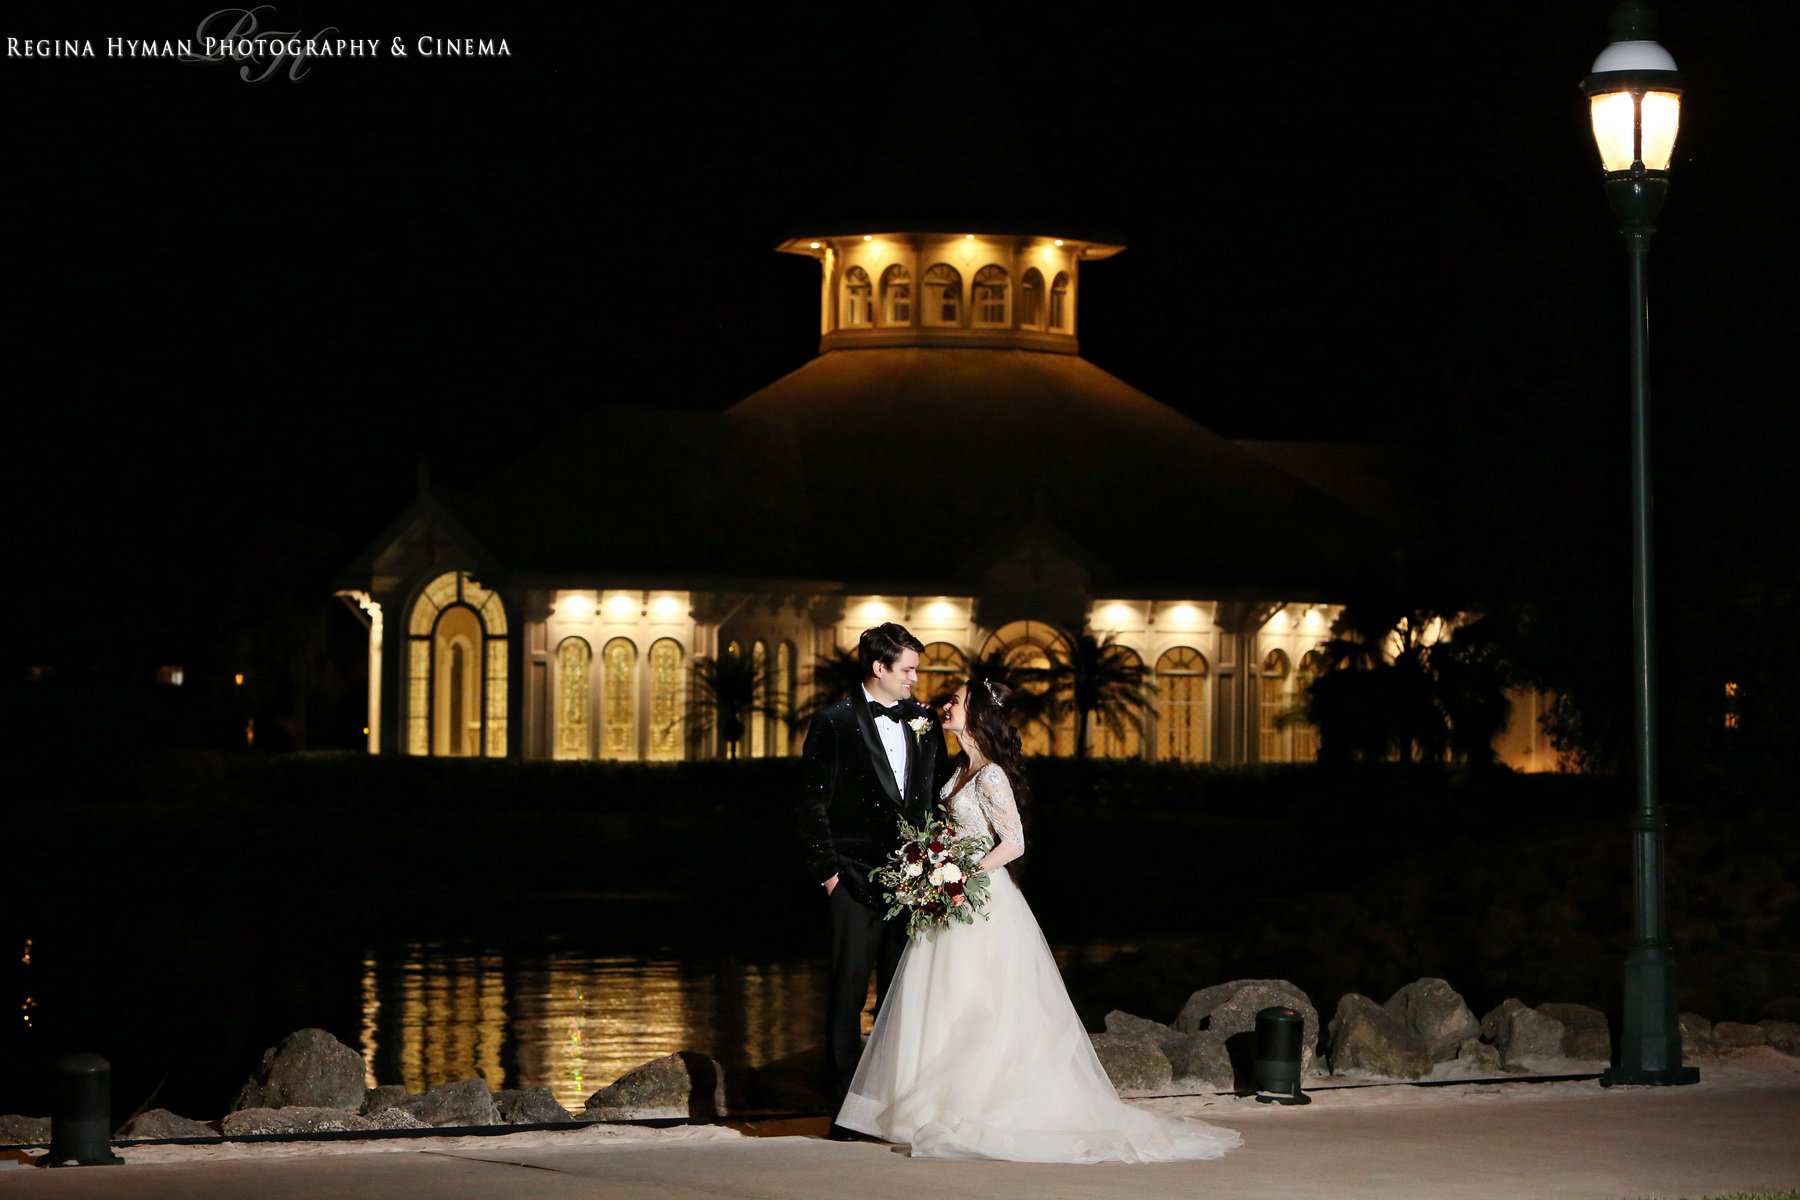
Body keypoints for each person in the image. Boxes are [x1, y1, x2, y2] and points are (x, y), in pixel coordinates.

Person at [835, 678, 1244, 1163]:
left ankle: (976, 1105)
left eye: (956, 701)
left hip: (980, 901)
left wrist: (962, 873)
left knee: (980, 1002)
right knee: (941, 999)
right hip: (950, 899)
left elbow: (1013, 843)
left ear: (978, 714)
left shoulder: (991, 776)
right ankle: (925, 1106)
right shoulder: (960, 769)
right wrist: (933, 863)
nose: (947, 705)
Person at [796, 622, 956, 1117]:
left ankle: (891, 1099)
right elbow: (811, 803)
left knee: (900, 993)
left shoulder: (924, 720)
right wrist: (829, 875)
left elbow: (936, 793)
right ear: (879, 667)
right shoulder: (834, 721)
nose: (915, 678)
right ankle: (844, 1107)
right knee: (846, 994)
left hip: (914, 881)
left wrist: (937, 862)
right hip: (851, 879)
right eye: (907, 669)